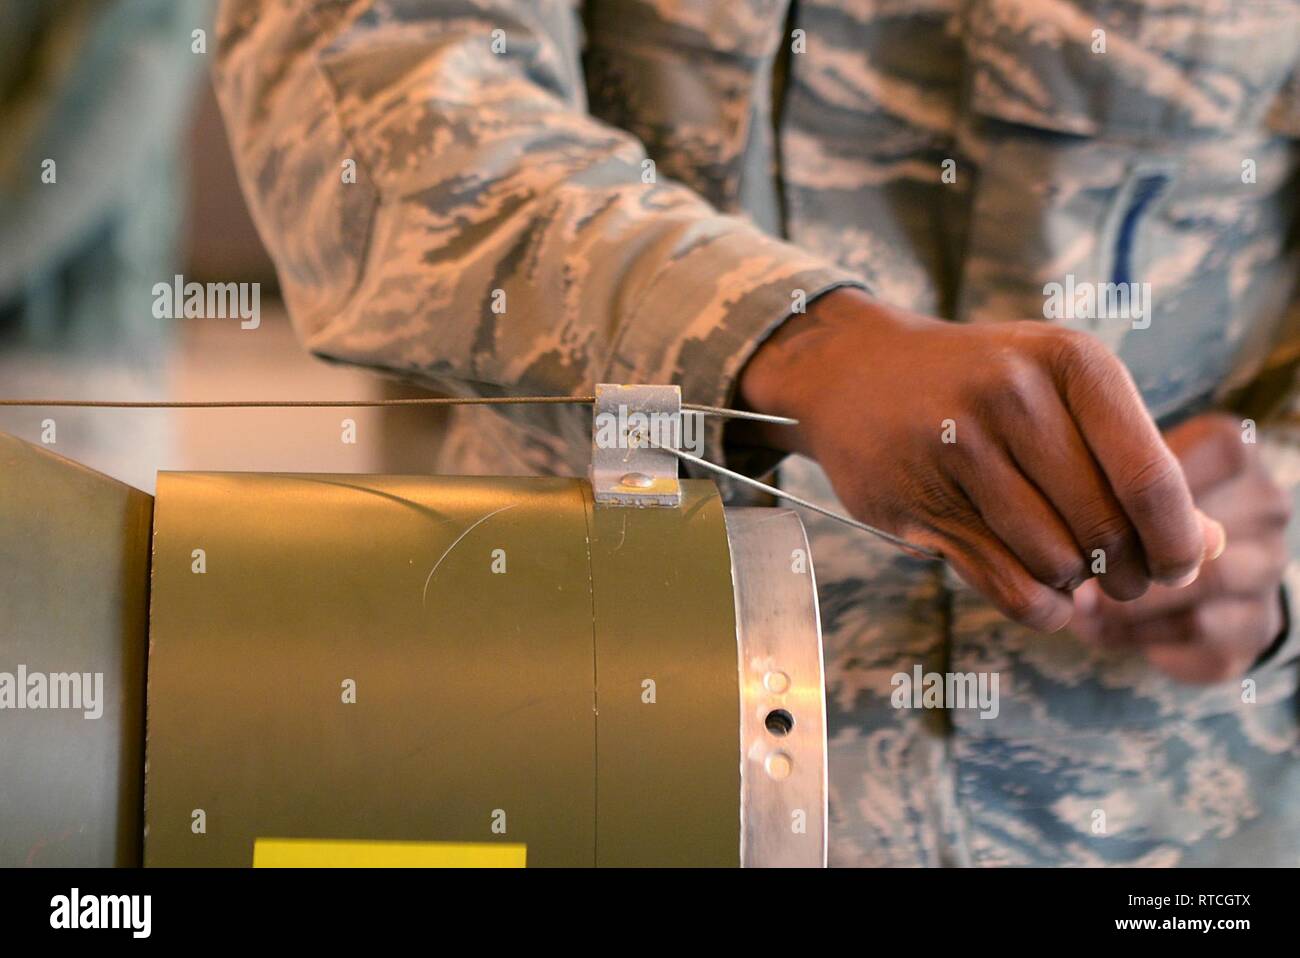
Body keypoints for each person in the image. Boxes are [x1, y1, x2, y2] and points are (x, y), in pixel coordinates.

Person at [213, 0, 1300, 865]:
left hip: (1159, 811)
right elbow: (370, 76)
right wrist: (794, 341)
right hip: (591, 764)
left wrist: (1274, 535)